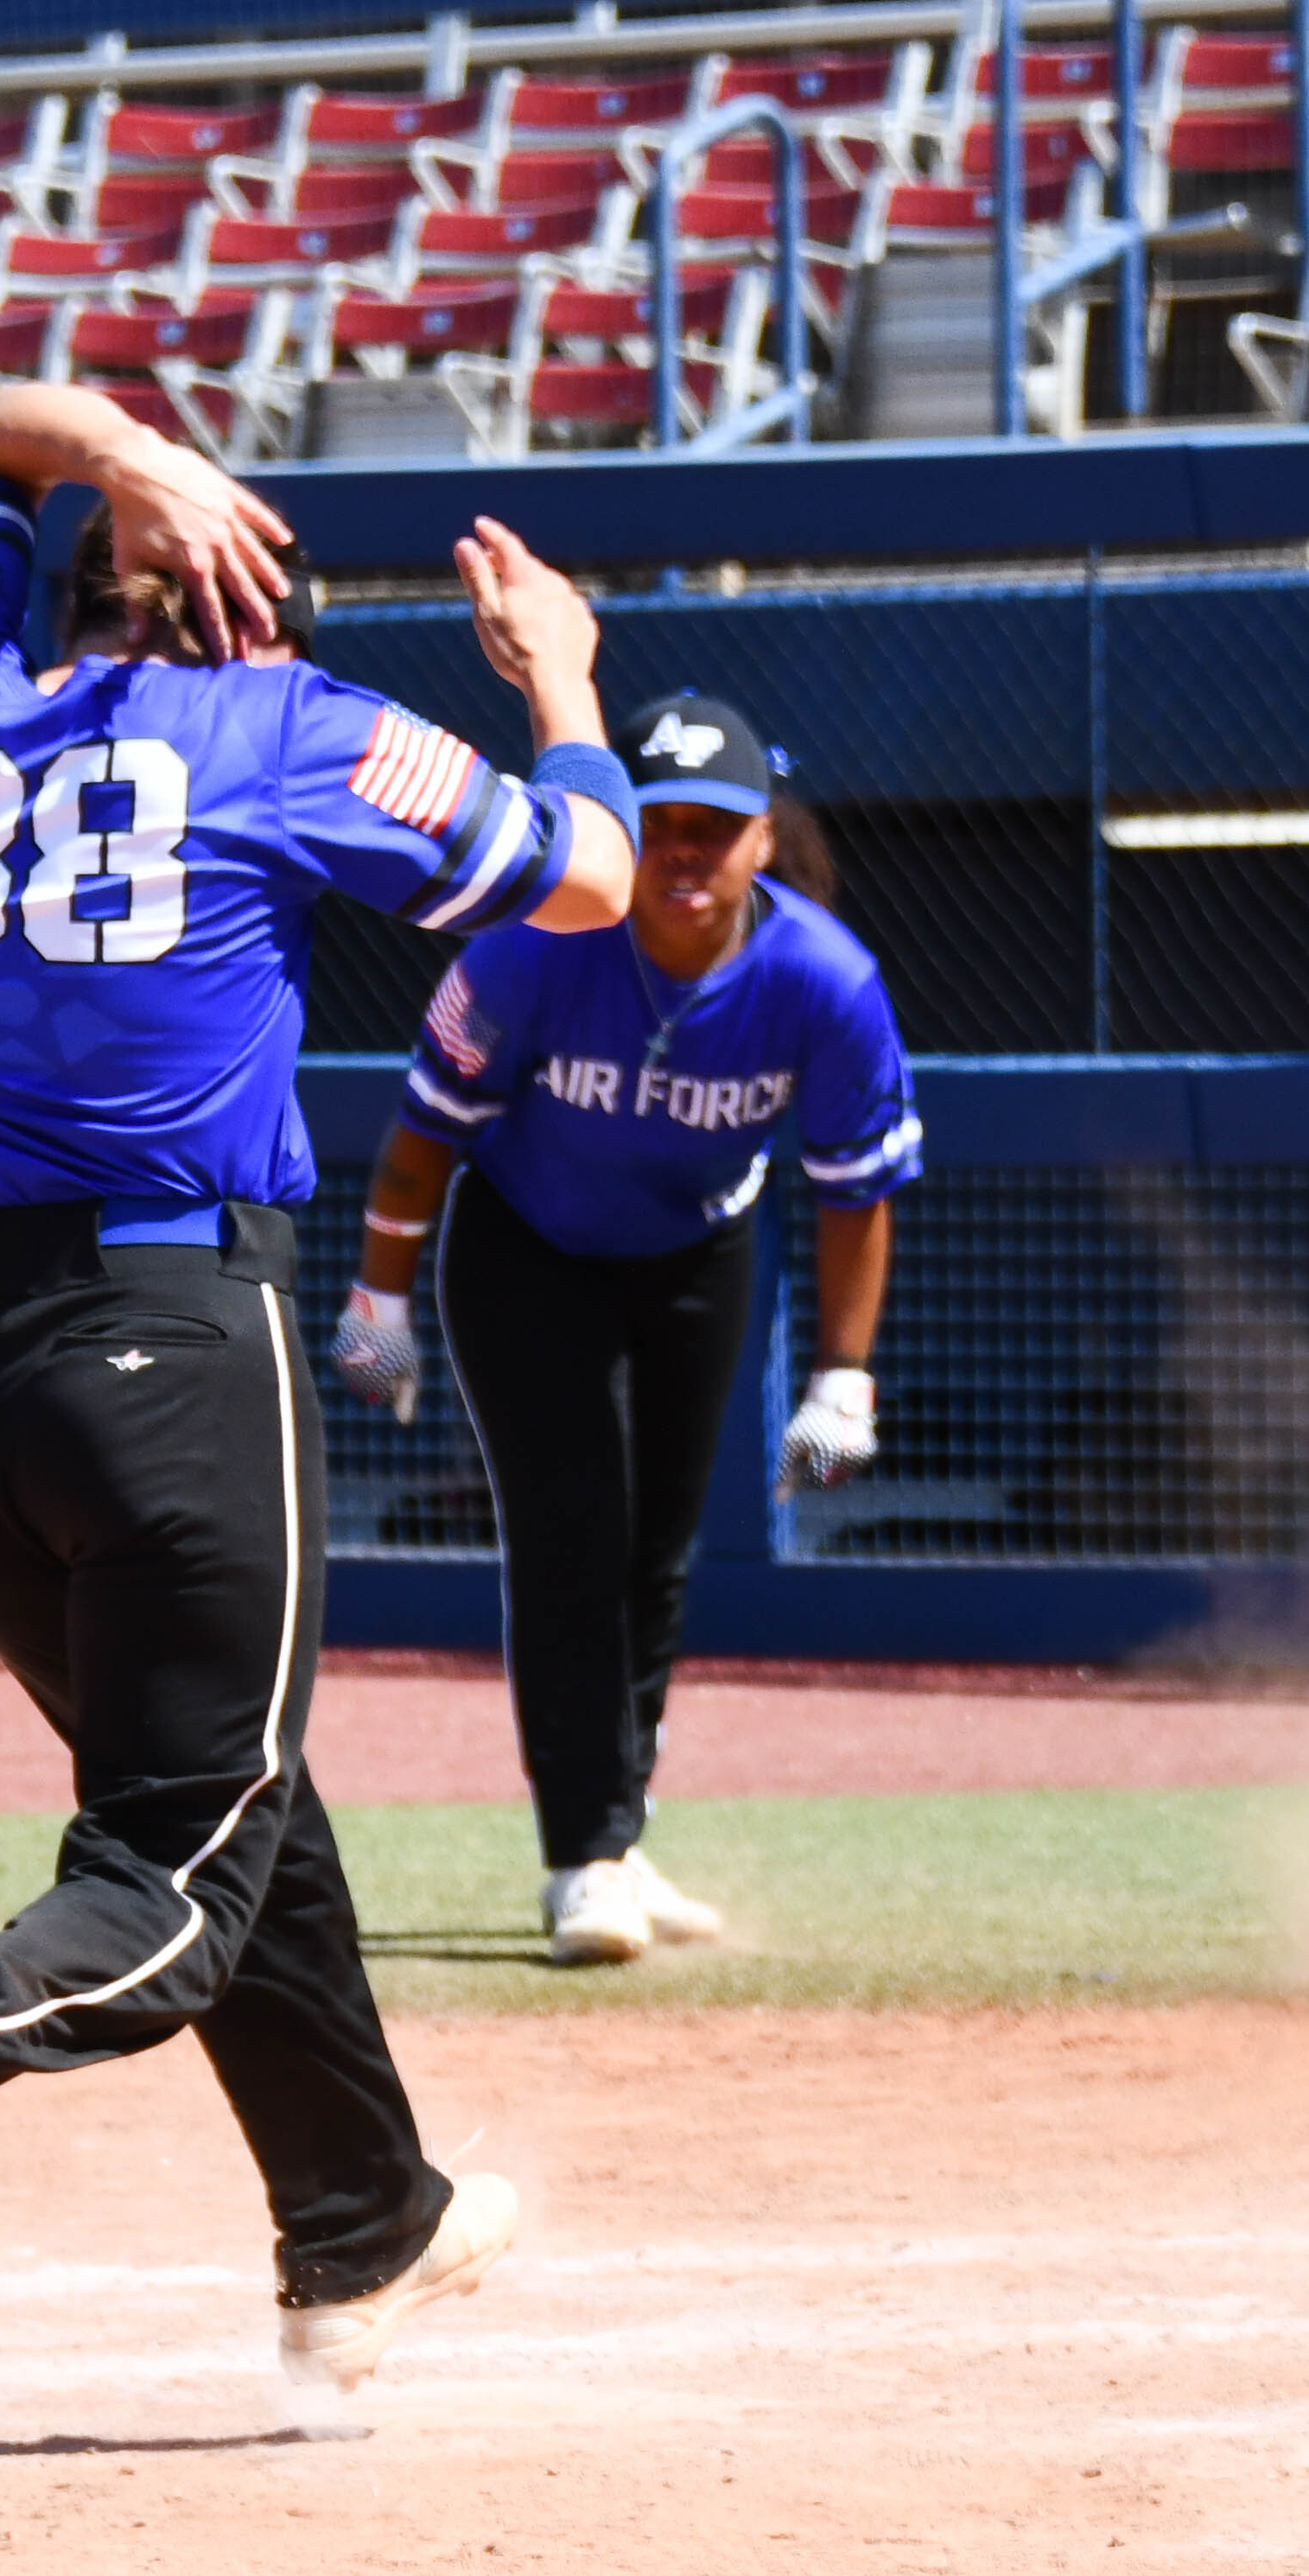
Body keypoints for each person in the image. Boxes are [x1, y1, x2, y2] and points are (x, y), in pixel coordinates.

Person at [0, 382, 635, 2397]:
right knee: (173, 1864)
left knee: (245, 1798)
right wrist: (564, 675)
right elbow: (587, 872)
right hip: (171, 1353)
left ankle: (361, 2221)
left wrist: (118, 458)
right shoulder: (284, 723)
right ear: (258, 617)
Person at [327, 686, 919, 1967]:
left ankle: (622, 1826)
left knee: (658, 1549)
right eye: (662, 824)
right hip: (525, 1249)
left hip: (697, 1251)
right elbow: (426, 1134)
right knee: (571, 1533)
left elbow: (856, 1189)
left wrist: (844, 1378)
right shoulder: (533, 948)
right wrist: (377, 1303)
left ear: (767, 837)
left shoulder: (827, 981)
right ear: (621, 833)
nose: (689, 853)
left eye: (721, 825)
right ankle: (581, 1857)